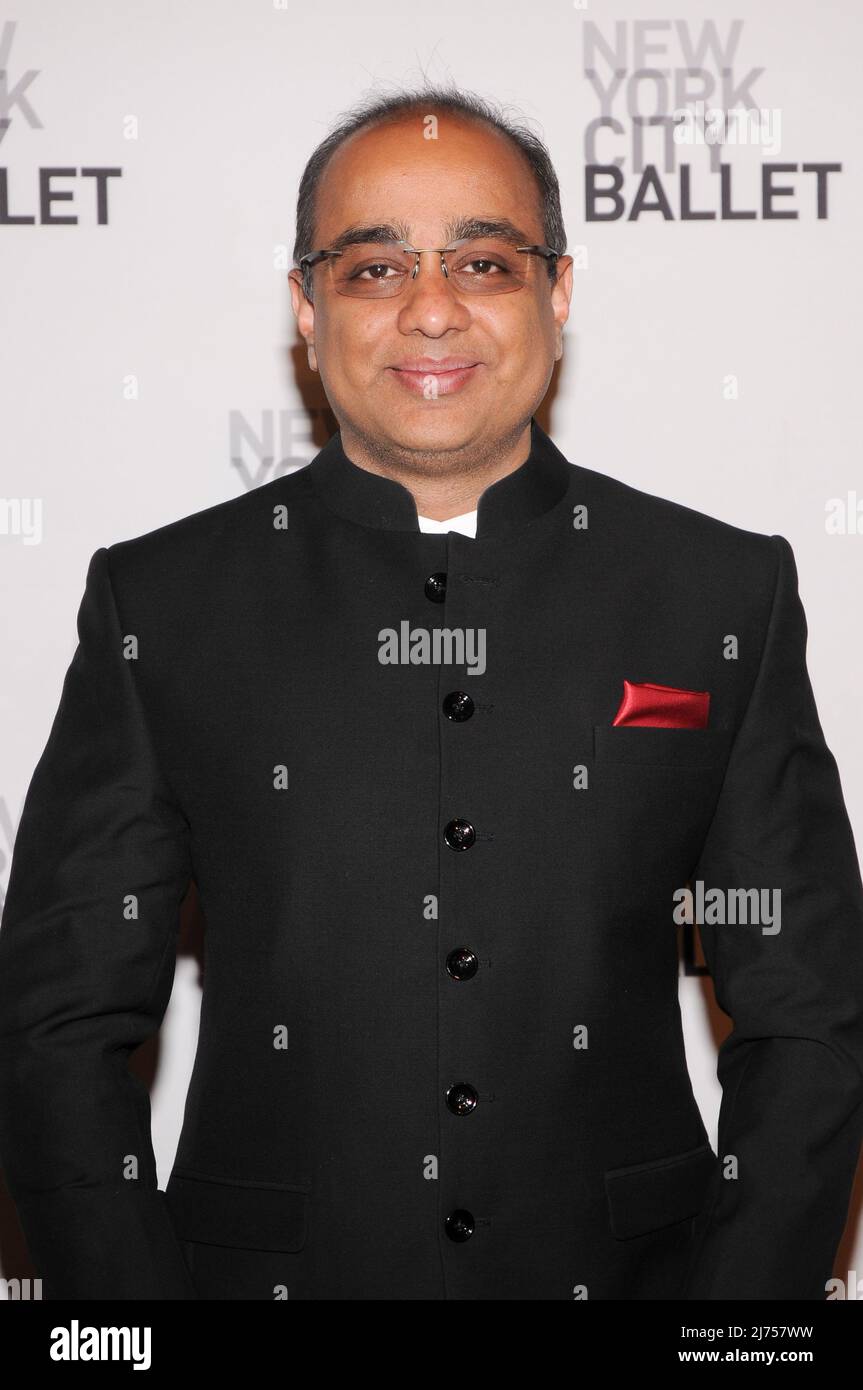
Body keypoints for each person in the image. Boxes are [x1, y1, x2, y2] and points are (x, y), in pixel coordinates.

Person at [1, 85, 861, 1301]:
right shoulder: (164, 605)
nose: (431, 309)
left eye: (483, 262)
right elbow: (59, 1027)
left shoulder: (719, 594)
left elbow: (808, 1014)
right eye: (373, 269)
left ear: (556, 293)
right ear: (305, 308)